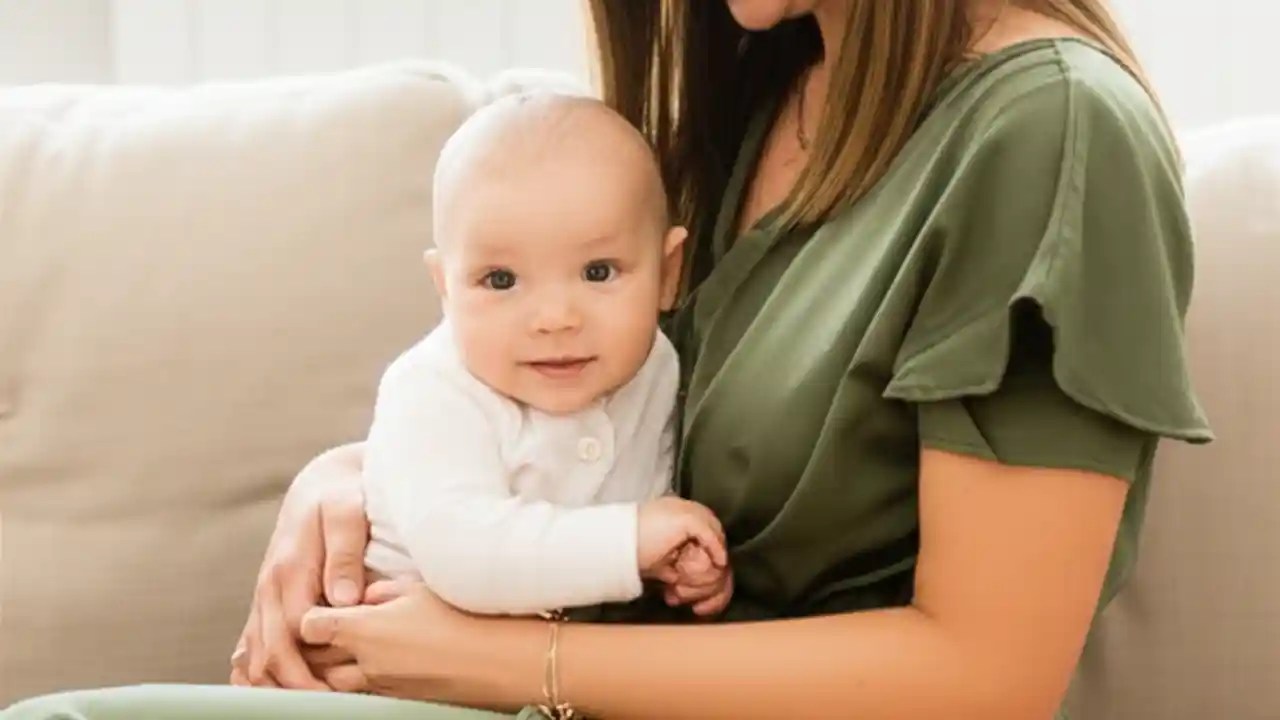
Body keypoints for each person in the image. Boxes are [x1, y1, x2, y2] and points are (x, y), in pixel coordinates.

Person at [2, 0, 1213, 719]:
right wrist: (368, 475)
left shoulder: (1048, 126)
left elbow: (984, 678)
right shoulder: (775, 80)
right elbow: (604, 399)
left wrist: (504, 656)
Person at [359, 92, 729, 620]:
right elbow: (466, 557)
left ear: (668, 274)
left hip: (554, 679)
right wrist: (633, 540)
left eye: (598, 272)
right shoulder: (432, 389)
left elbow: (652, 510)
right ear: (445, 288)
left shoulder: (655, 368)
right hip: (393, 676)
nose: (554, 318)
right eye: (501, 280)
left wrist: (679, 563)